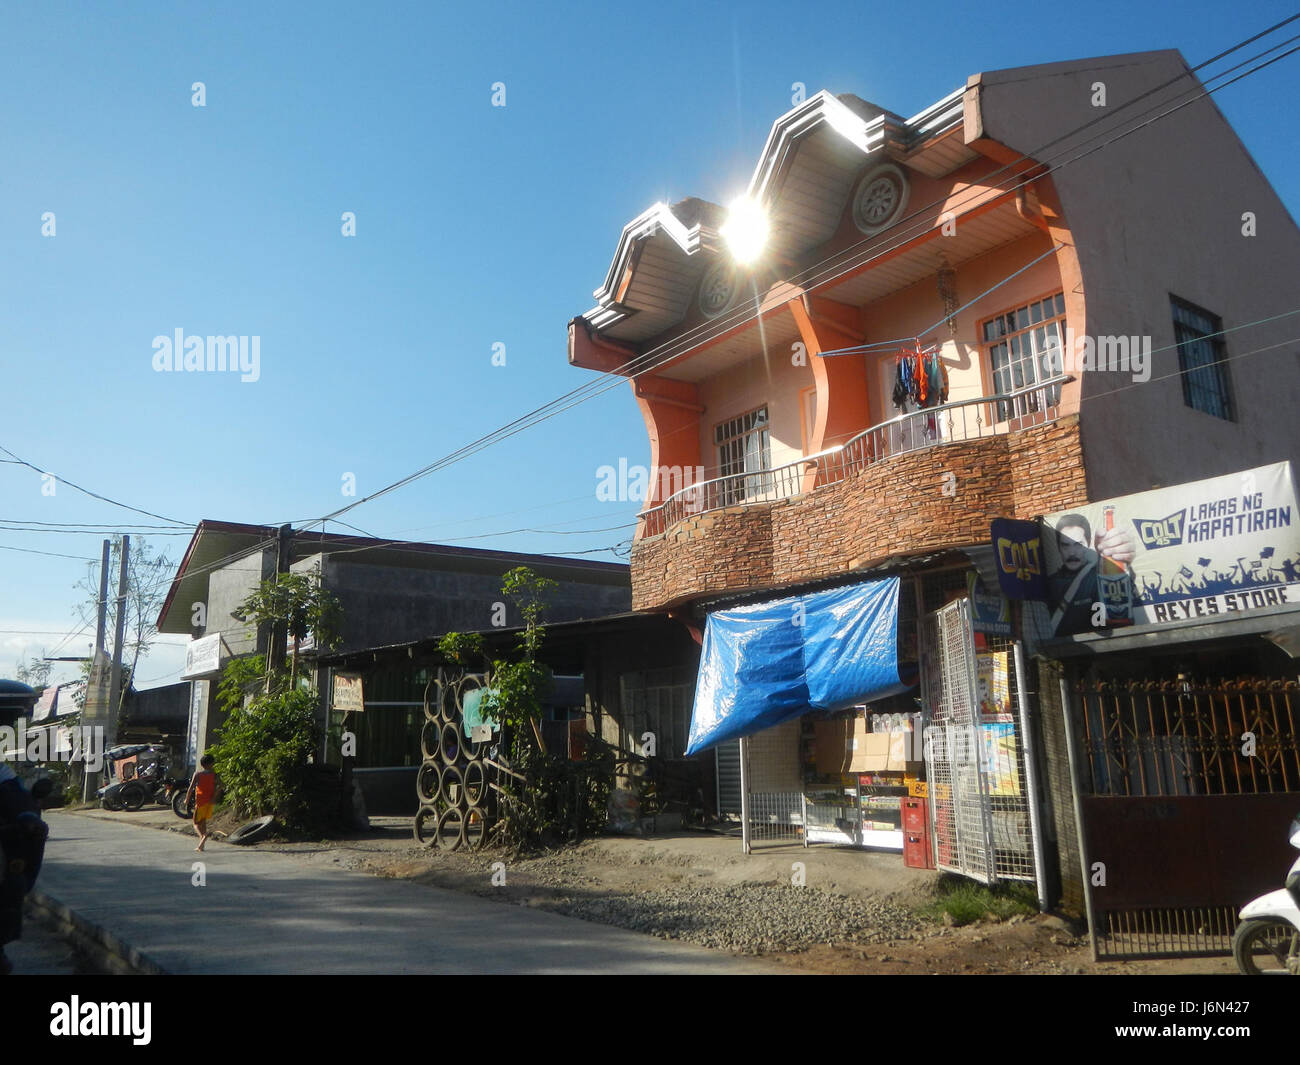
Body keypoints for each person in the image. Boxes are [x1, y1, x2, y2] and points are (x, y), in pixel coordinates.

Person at [1047, 513, 1137, 635]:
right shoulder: (1049, 584)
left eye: (1078, 544)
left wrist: (1123, 564)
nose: (1072, 552)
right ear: (1058, 547)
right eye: (1065, 545)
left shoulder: (1100, 575)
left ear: (1088, 544)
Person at [185, 754, 222, 852]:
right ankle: (201, 846)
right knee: (203, 822)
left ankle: (203, 836)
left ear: (202, 764)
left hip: (200, 802)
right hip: (210, 802)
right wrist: (214, 797)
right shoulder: (214, 775)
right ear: (212, 764)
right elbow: (221, 785)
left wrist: (187, 799)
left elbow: (191, 788)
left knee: (195, 824)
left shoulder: (198, 774)